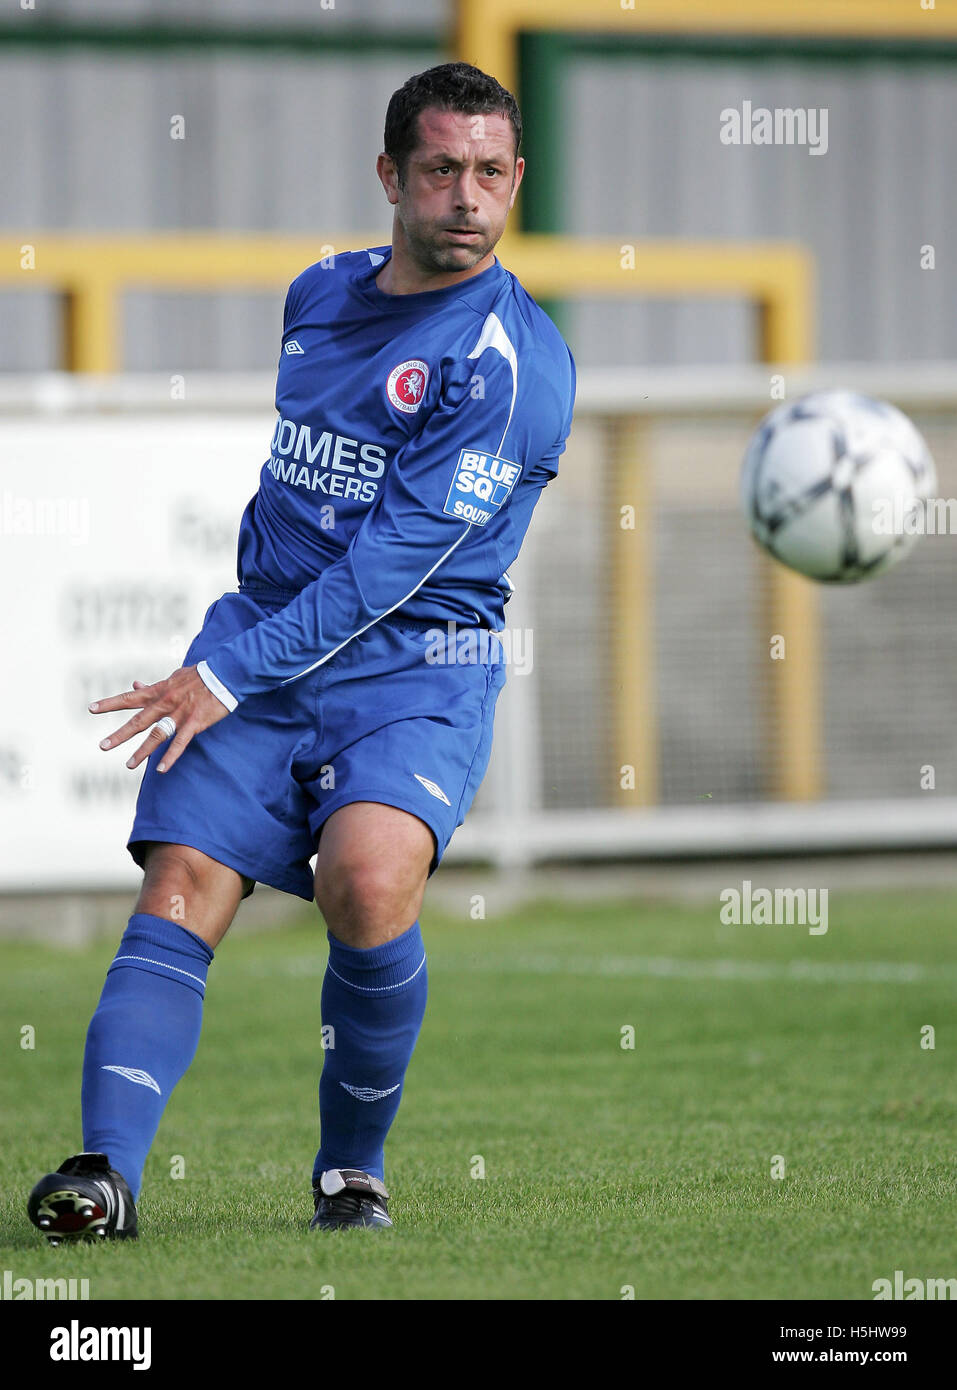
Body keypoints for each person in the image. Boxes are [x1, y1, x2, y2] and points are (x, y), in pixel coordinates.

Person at [27, 61, 576, 1240]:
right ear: (391, 176)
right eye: (441, 171)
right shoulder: (318, 295)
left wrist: (223, 673)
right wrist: (242, 654)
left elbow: (394, 568)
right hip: (269, 630)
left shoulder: (512, 364)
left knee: (368, 883)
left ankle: (350, 1173)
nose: (468, 198)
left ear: (516, 180)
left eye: (490, 173)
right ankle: (103, 1176)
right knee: (179, 889)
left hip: (414, 663)